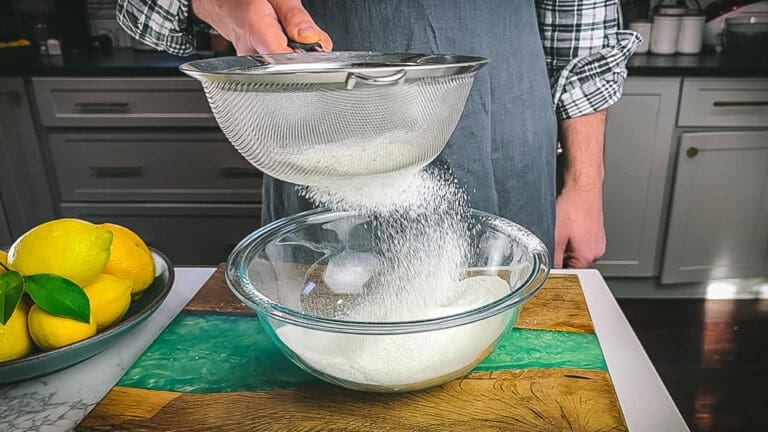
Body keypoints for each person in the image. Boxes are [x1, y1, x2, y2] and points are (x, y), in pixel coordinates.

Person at [117, 0, 640, 269]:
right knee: (322, 326)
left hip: (501, 118)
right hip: (315, 121)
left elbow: (583, 24)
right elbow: (141, 10)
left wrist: (584, 185)